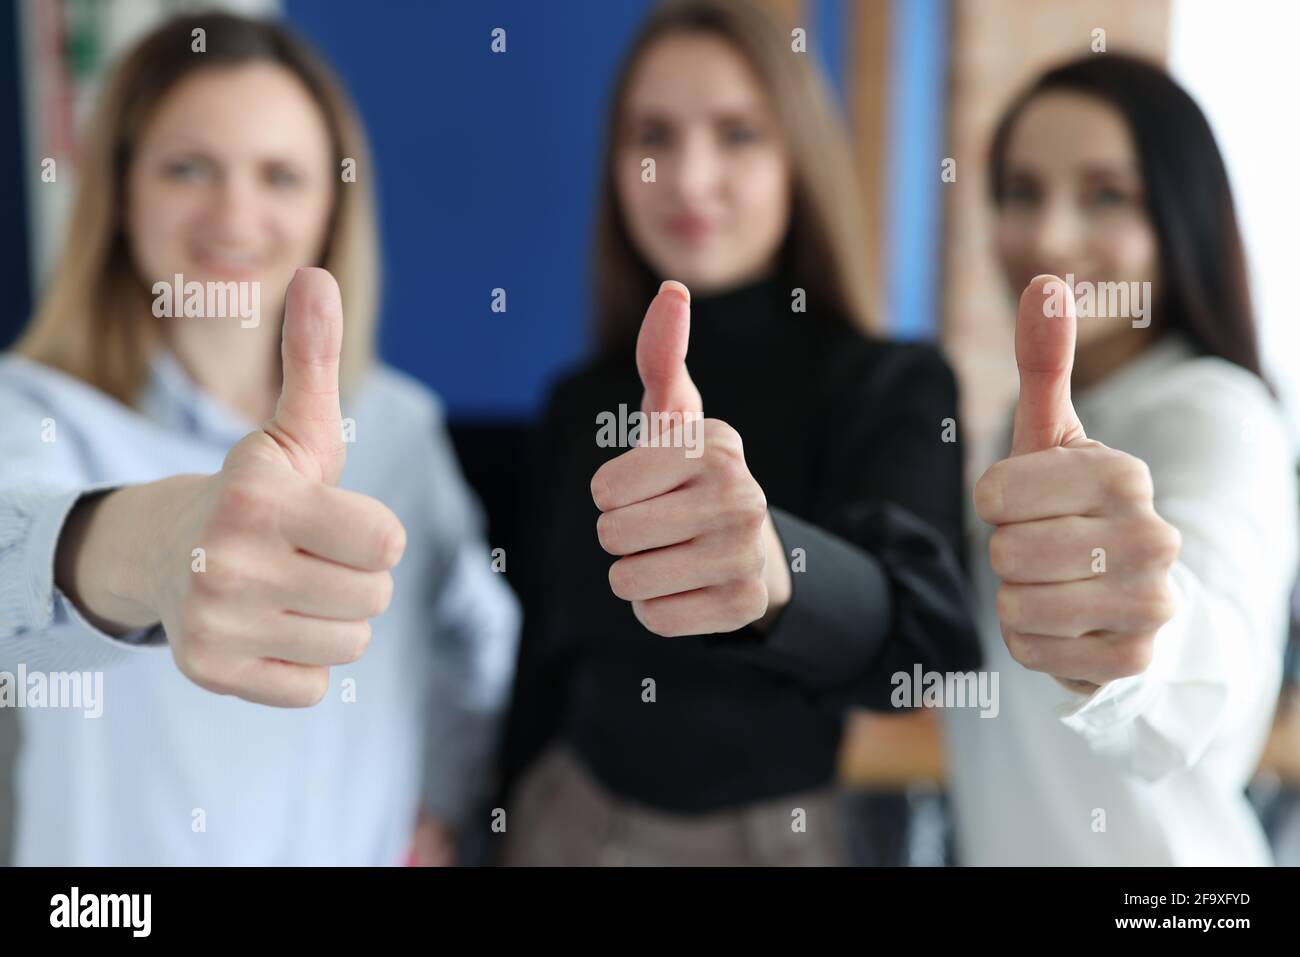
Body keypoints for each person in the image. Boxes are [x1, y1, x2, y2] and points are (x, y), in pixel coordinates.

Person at [0, 12, 518, 865]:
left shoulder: (397, 424)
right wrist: (160, 550)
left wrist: (447, 802)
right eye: (187, 168)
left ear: (329, 208)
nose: (235, 211)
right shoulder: (36, 410)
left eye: (280, 175)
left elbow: (477, 648)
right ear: (121, 196)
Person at [498, 0, 979, 866]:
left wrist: (770, 565)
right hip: (565, 825)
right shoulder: (579, 399)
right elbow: (540, 666)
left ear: (799, 156)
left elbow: (928, 636)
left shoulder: (889, 383)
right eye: (652, 136)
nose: (688, 177)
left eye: (738, 134)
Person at [945, 54, 1298, 865]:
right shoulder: (1024, 425)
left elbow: (1221, 664)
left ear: (1181, 217)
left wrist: (1140, 632)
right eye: (1022, 192)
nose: (1049, 236)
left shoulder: (1217, 412)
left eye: (1107, 195)